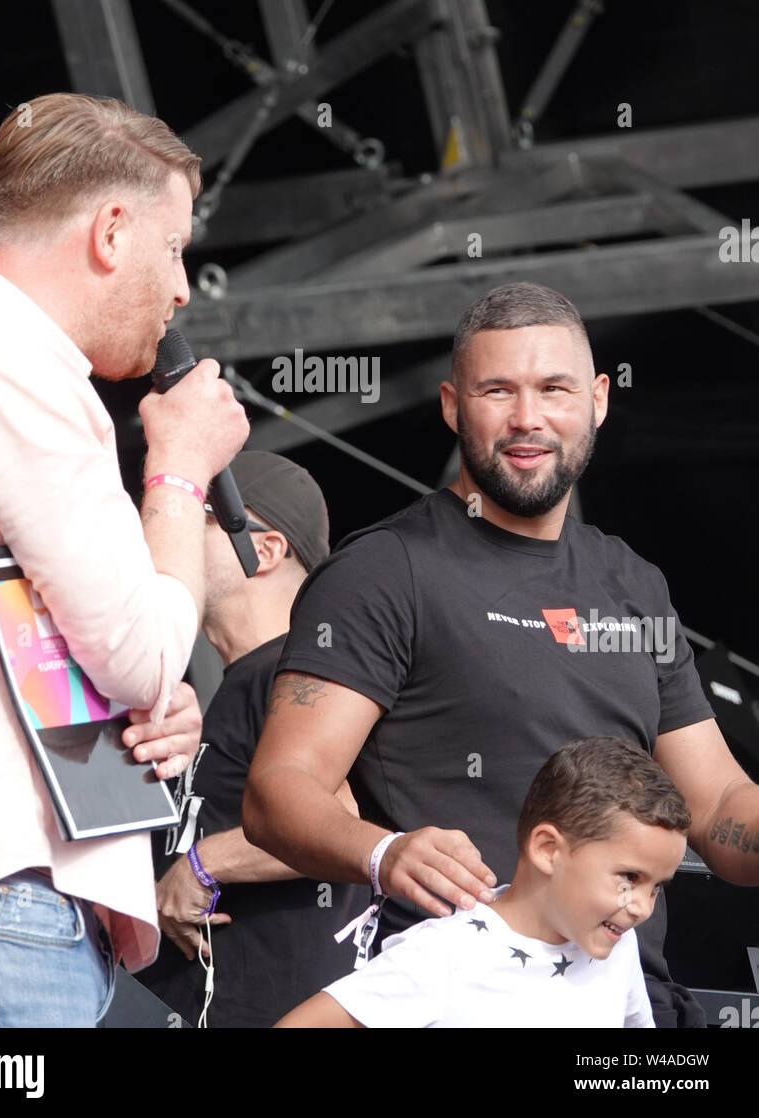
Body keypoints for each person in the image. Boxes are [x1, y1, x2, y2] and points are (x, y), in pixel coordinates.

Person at [244, 281, 759, 1028]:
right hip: (473, 1001)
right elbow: (277, 791)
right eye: (498, 391)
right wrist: (384, 851)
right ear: (454, 406)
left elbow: (715, 810)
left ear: (599, 400)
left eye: (554, 388)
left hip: (630, 1002)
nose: (528, 419)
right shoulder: (386, 569)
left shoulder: (632, 583)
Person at [0, 94, 249, 1027]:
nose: (181, 289)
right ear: (112, 230)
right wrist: (176, 469)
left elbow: (63, 644)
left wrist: (140, 700)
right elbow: (138, 649)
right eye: (174, 247)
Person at [139, 451, 369, 1027]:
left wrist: (201, 863)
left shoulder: (292, 673)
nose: (164, 532)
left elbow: (335, 820)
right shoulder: (234, 686)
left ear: (263, 551)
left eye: (197, 517)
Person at [276, 738, 690, 1028]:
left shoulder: (618, 946)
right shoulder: (442, 955)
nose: (642, 907)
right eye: (629, 878)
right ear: (547, 849)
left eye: (656, 887)